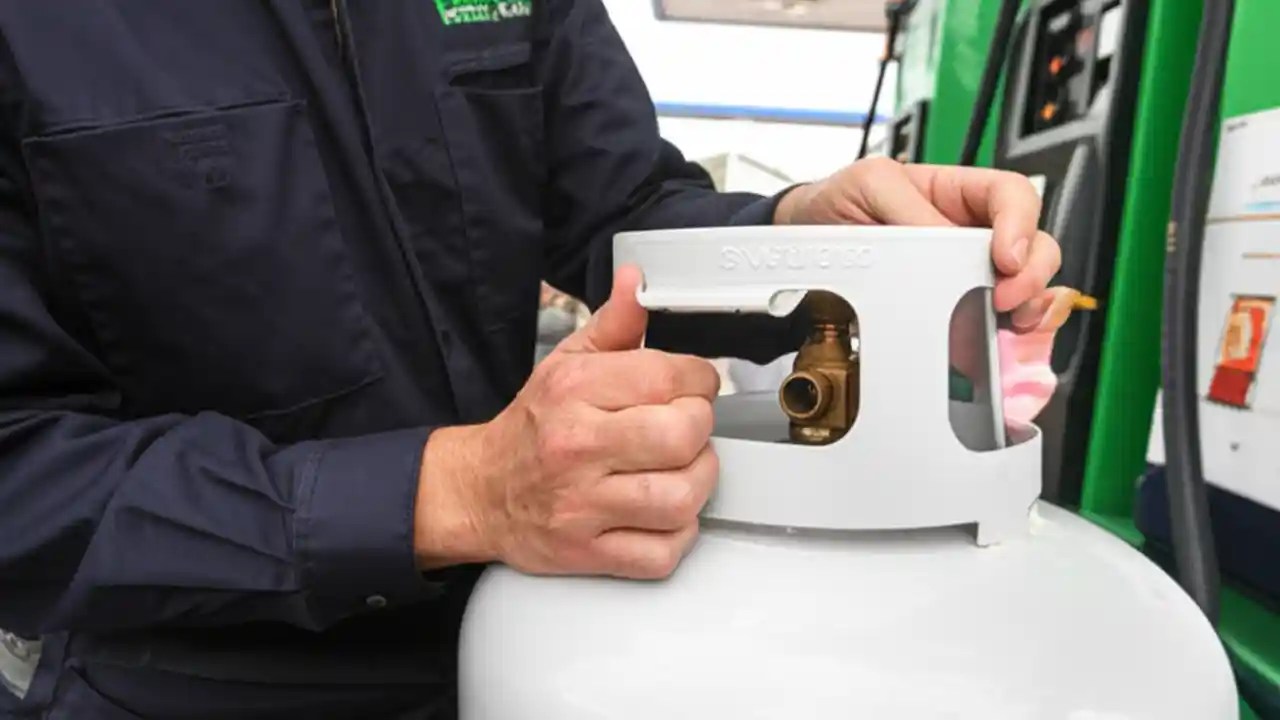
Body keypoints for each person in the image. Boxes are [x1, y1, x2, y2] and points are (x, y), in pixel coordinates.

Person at [0, 2, 1062, 718]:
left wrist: (811, 240)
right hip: (188, 679)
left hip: (522, 634)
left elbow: (623, 209)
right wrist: (451, 491)